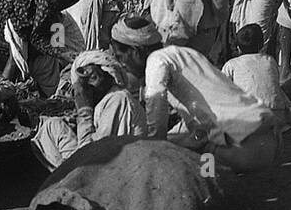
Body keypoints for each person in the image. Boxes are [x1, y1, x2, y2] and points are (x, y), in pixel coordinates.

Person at [109, 16, 280, 172]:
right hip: (269, 141)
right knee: (181, 140)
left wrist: (151, 152)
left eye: (120, 57)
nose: (122, 64)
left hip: (244, 149)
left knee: (182, 159)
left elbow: (157, 112)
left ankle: (211, 188)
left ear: (135, 51)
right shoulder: (185, 53)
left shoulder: (157, 60)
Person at [32, 50, 145, 170]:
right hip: (97, 159)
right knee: (52, 126)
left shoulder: (118, 98)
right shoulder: (104, 100)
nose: (86, 74)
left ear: (106, 71)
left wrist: (84, 110)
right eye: (82, 72)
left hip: (110, 169)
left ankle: (70, 178)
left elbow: (91, 156)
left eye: (90, 69)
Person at [222, 24, 291, 128]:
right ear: (262, 45)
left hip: (246, 120)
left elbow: (222, 90)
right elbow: (274, 86)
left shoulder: (231, 64)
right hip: (277, 117)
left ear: (238, 47)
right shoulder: (270, 60)